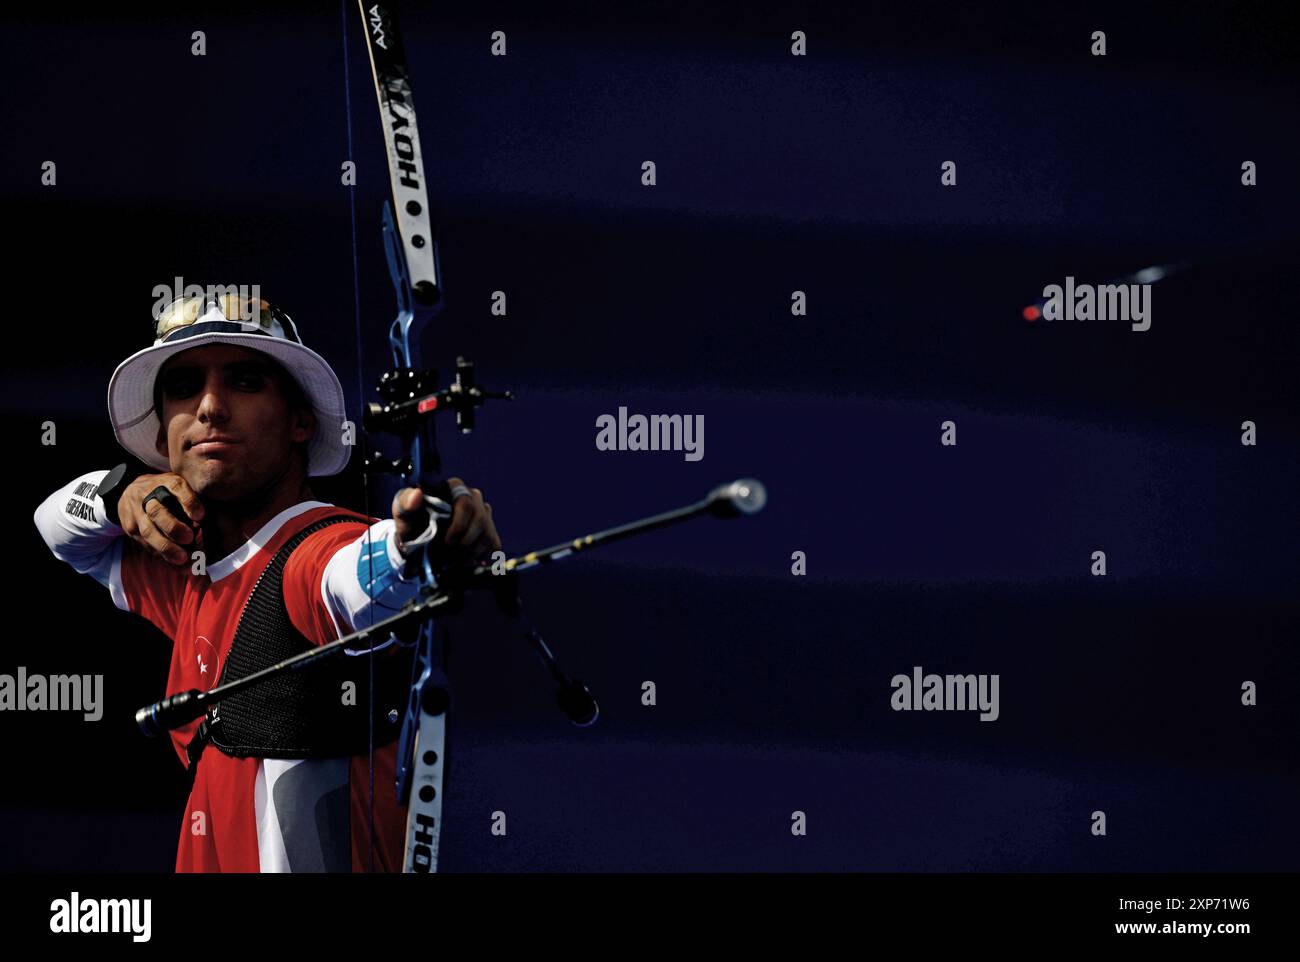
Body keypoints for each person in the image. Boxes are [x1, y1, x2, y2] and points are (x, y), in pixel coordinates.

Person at [32, 292, 500, 872]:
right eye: (183, 387)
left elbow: (352, 579)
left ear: (301, 420)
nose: (209, 407)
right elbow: (54, 527)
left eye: (245, 381)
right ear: (161, 440)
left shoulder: (314, 549)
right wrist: (120, 490)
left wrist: (413, 541)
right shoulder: (186, 564)